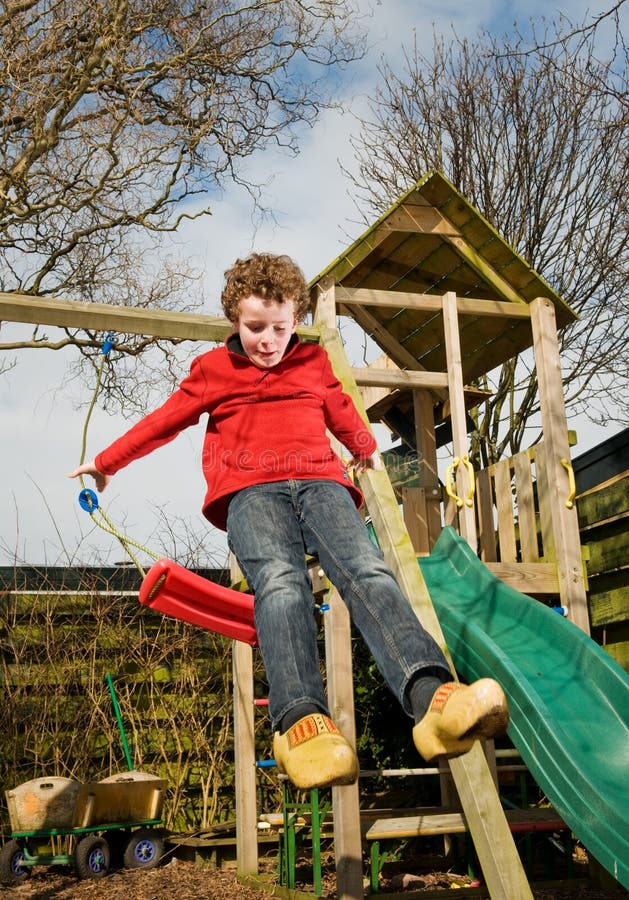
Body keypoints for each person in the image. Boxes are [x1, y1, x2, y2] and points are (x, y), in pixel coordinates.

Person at [70, 252, 509, 789]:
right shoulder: (212, 370)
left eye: (279, 328)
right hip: (250, 491)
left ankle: (431, 699)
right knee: (282, 583)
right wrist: (107, 462)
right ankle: (301, 720)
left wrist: (364, 446)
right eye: (255, 327)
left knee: (367, 570)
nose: (268, 340)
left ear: (295, 319)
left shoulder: (313, 362)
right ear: (235, 319)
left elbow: (340, 407)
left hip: (322, 483)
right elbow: (164, 421)